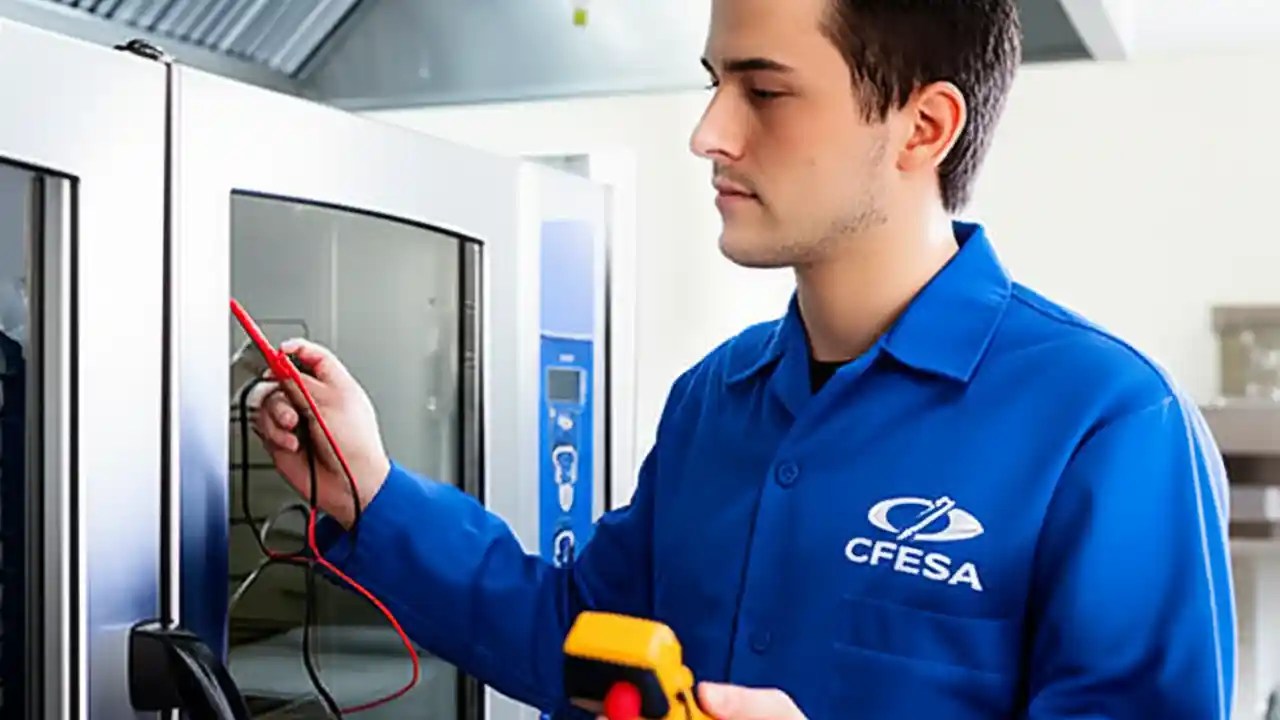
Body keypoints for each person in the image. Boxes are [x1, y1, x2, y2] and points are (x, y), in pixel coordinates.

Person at [252, 0, 1236, 717]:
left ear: (923, 126)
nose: (707, 133)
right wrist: (367, 492)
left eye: (763, 90)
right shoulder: (713, 402)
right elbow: (577, 641)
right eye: (713, 83)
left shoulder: (1106, 426)